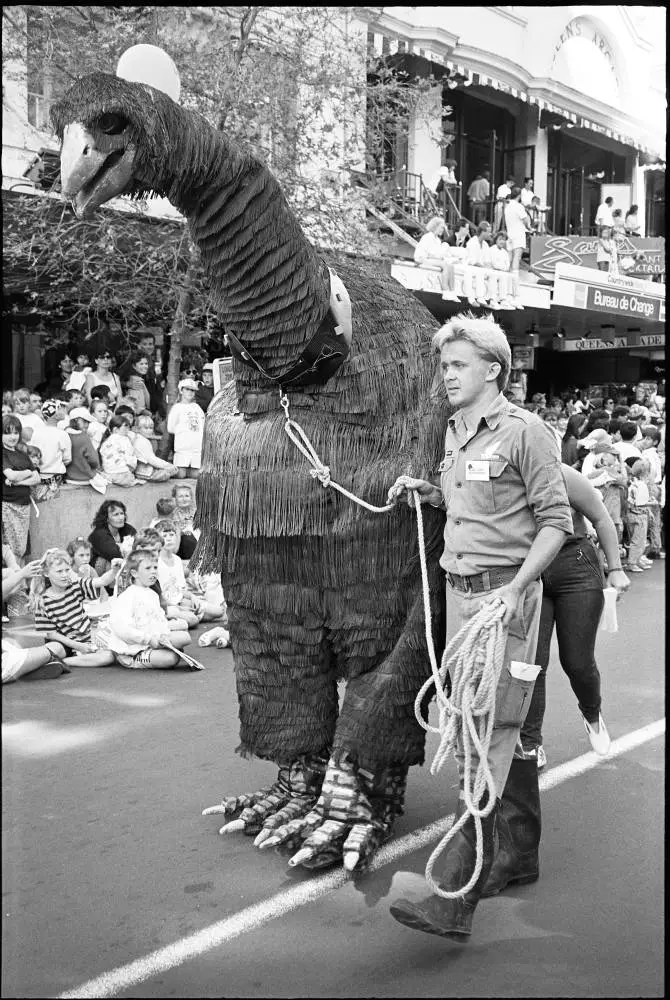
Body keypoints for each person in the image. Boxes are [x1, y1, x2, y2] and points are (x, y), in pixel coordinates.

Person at [387, 312, 572, 940]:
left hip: (505, 603)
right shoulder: (453, 433)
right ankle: (518, 856)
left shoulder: (527, 433)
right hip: (461, 597)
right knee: (477, 728)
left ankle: (457, 894)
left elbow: (555, 522)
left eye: (457, 365)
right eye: (444, 366)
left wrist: (518, 589)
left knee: (485, 739)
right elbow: (479, 502)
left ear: (493, 369)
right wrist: (432, 494)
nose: (446, 376)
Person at [481, 464, 629, 897]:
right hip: (531, 570)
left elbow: (601, 517)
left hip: (576, 565)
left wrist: (616, 568)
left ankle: (593, 715)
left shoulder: (563, 475)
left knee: (577, 661)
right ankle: (532, 740)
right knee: (532, 663)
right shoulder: (508, 476)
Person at [100, 548, 191, 668]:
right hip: (132, 648)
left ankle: (161, 651)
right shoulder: (128, 596)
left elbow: (159, 621)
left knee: (184, 637)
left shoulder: (153, 594)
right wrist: (148, 640)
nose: (153, 572)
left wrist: (162, 636)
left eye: (155, 568)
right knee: (171, 658)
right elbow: (121, 628)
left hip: (153, 641)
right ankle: (136, 659)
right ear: (134, 573)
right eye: (148, 568)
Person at [29, 547, 119, 666]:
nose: (65, 575)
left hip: (86, 640)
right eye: (59, 571)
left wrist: (114, 570)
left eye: (67, 570)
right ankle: (42, 660)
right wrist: (77, 646)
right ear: (46, 573)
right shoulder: (41, 600)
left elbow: (101, 581)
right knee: (53, 648)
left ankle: (61, 663)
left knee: (108, 656)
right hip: (64, 643)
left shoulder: (75, 586)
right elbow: (51, 634)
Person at [155, 519, 225, 624]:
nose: (169, 539)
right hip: (169, 605)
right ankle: (188, 617)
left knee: (220, 612)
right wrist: (179, 607)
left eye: (171, 535)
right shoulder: (156, 562)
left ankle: (194, 615)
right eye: (164, 536)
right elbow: (158, 594)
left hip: (182, 601)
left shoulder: (177, 560)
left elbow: (181, 589)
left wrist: (193, 598)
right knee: (193, 620)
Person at [2, 415, 40, 562]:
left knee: (22, 548)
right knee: (10, 549)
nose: (12, 436)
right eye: (7, 432)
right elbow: (10, 475)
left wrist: (18, 482)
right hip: (8, 506)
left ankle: (21, 582)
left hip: (24, 506)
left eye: (15, 432)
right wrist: (27, 472)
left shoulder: (22, 453)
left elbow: (37, 478)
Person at [413, 217, 460, 302]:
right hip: (421, 259)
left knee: (450, 266)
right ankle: (445, 291)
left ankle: (452, 292)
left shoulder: (437, 240)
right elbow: (431, 254)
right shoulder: (428, 237)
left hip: (429, 258)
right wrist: (441, 257)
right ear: (436, 226)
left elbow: (437, 254)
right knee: (444, 264)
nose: (443, 229)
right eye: (442, 227)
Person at [167, 378, 205, 478]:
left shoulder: (197, 407)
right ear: (181, 390)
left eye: (192, 390)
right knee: (180, 475)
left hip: (197, 449)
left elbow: (203, 425)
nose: (190, 392)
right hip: (182, 448)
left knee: (196, 475)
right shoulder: (177, 408)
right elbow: (171, 428)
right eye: (187, 389)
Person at [88, 500, 137, 575]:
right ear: (106, 518)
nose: (120, 518)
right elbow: (115, 555)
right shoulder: (99, 534)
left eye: (122, 513)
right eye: (116, 515)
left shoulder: (127, 528)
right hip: (98, 572)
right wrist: (126, 549)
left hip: (123, 566)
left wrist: (121, 547)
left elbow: (139, 546)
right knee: (109, 562)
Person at [623, 459, 652, 572]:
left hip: (631, 513)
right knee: (639, 540)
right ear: (645, 472)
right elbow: (641, 501)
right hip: (639, 514)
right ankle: (632, 562)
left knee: (635, 539)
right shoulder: (641, 485)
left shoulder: (632, 483)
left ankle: (636, 559)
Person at [503, 186, 530, 309]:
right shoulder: (519, 207)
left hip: (510, 235)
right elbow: (526, 221)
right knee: (516, 261)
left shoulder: (508, 207)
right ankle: (515, 295)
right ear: (519, 196)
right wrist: (529, 226)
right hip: (518, 235)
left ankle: (509, 294)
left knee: (510, 262)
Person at [133, 411, 178, 482]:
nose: (149, 431)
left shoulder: (140, 439)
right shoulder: (141, 441)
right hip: (144, 471)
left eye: (151, 428)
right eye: (146, 428)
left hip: (144, 469)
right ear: (137, 429)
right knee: (170, 471)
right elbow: (151, 459)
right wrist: (167, 465)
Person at [99, 414, 138, 487]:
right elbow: (129, 457)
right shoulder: (123, 439)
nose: (128, 430)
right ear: (116, 429)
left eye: (129, 428)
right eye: (125, 428)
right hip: (123, 474)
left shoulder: (107, 440)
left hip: (109, 472)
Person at [64, 415, 102, 486]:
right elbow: (94, 460)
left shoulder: (64, 434)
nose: (87, 425)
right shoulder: (83, 437)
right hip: (85, 478)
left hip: (68, 477)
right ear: (76, 420)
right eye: (84, 421)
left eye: (88, 422)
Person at [170, 482, 199, 560]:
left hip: (201, 546)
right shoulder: (172, 515)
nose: (184, 499)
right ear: (174, 498)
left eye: (187, 496)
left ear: (191, 498)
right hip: (185, 549)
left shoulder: (197, 512)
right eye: (180, 496)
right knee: (188, 538)